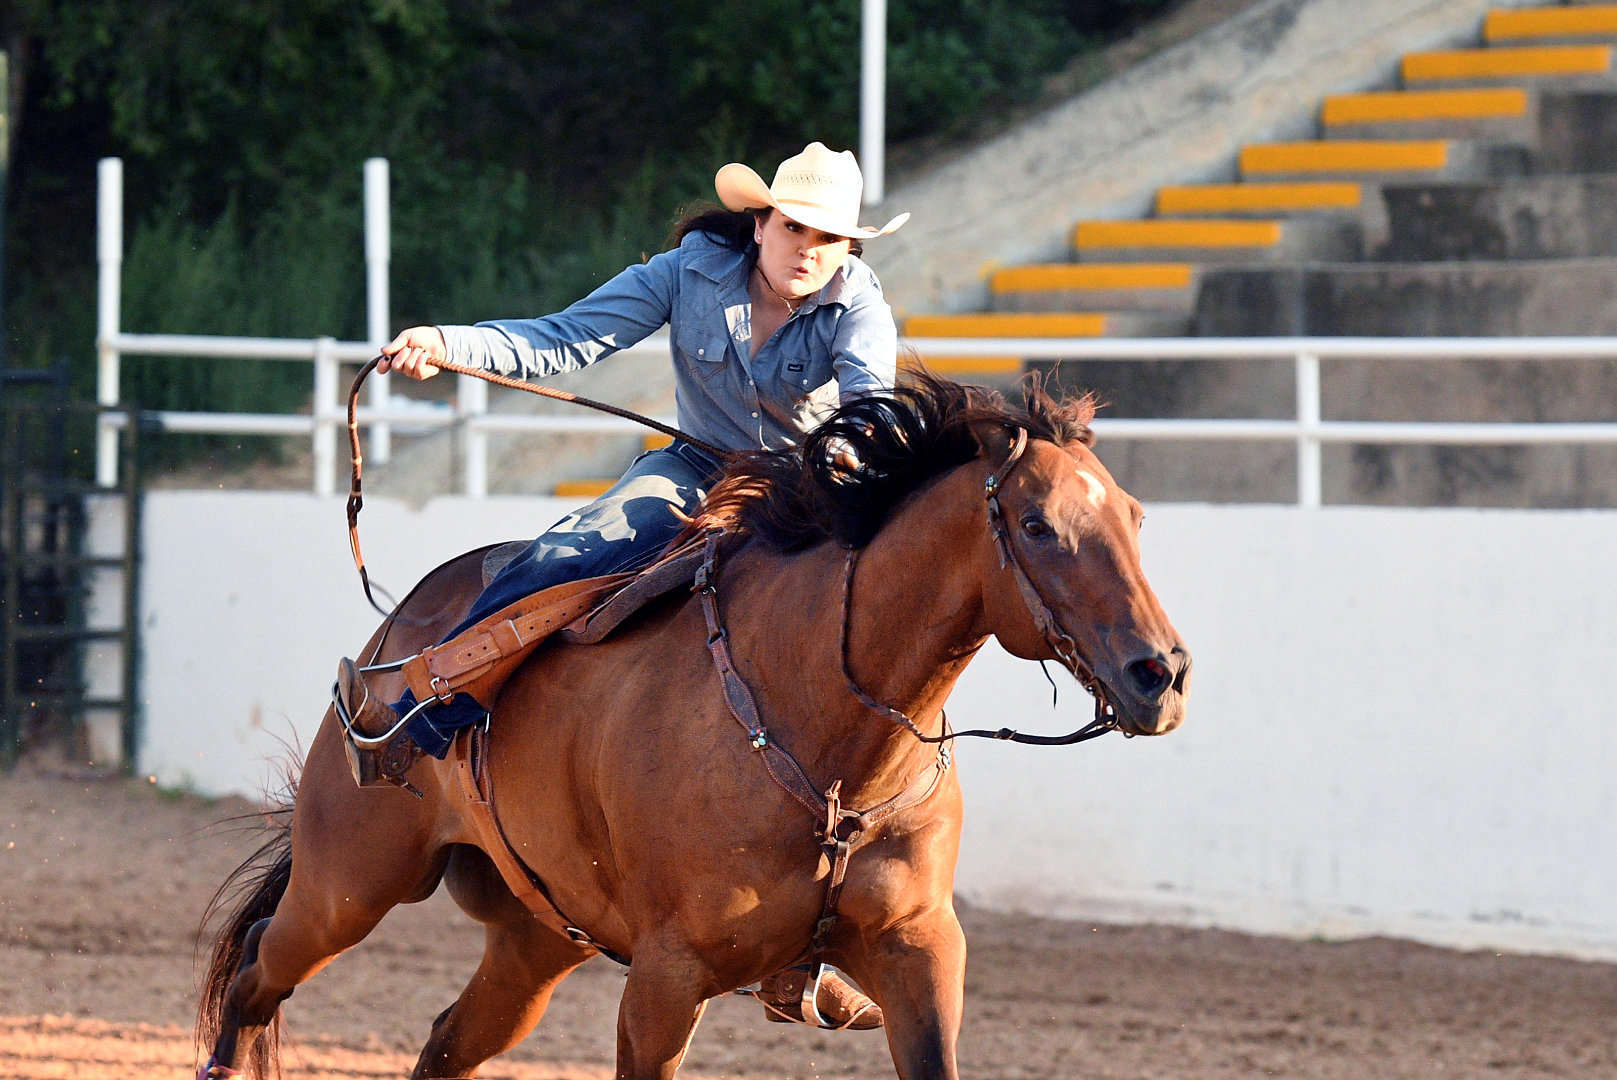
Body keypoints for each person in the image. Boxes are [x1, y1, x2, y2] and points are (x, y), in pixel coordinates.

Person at [335, 141, 908, 1031]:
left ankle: (800, 937)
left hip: (793, 491)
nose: (807, 250)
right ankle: (430, 705)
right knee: (569, 553)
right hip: (691, 473)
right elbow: (566, 339)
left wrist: (840, 457)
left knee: (852, 642)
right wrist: (448, 345)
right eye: (793, 227)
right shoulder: (688, 273)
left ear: (847, 250)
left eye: (829, 239)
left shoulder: (856, 307)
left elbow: (870, 410)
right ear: (760, 222)